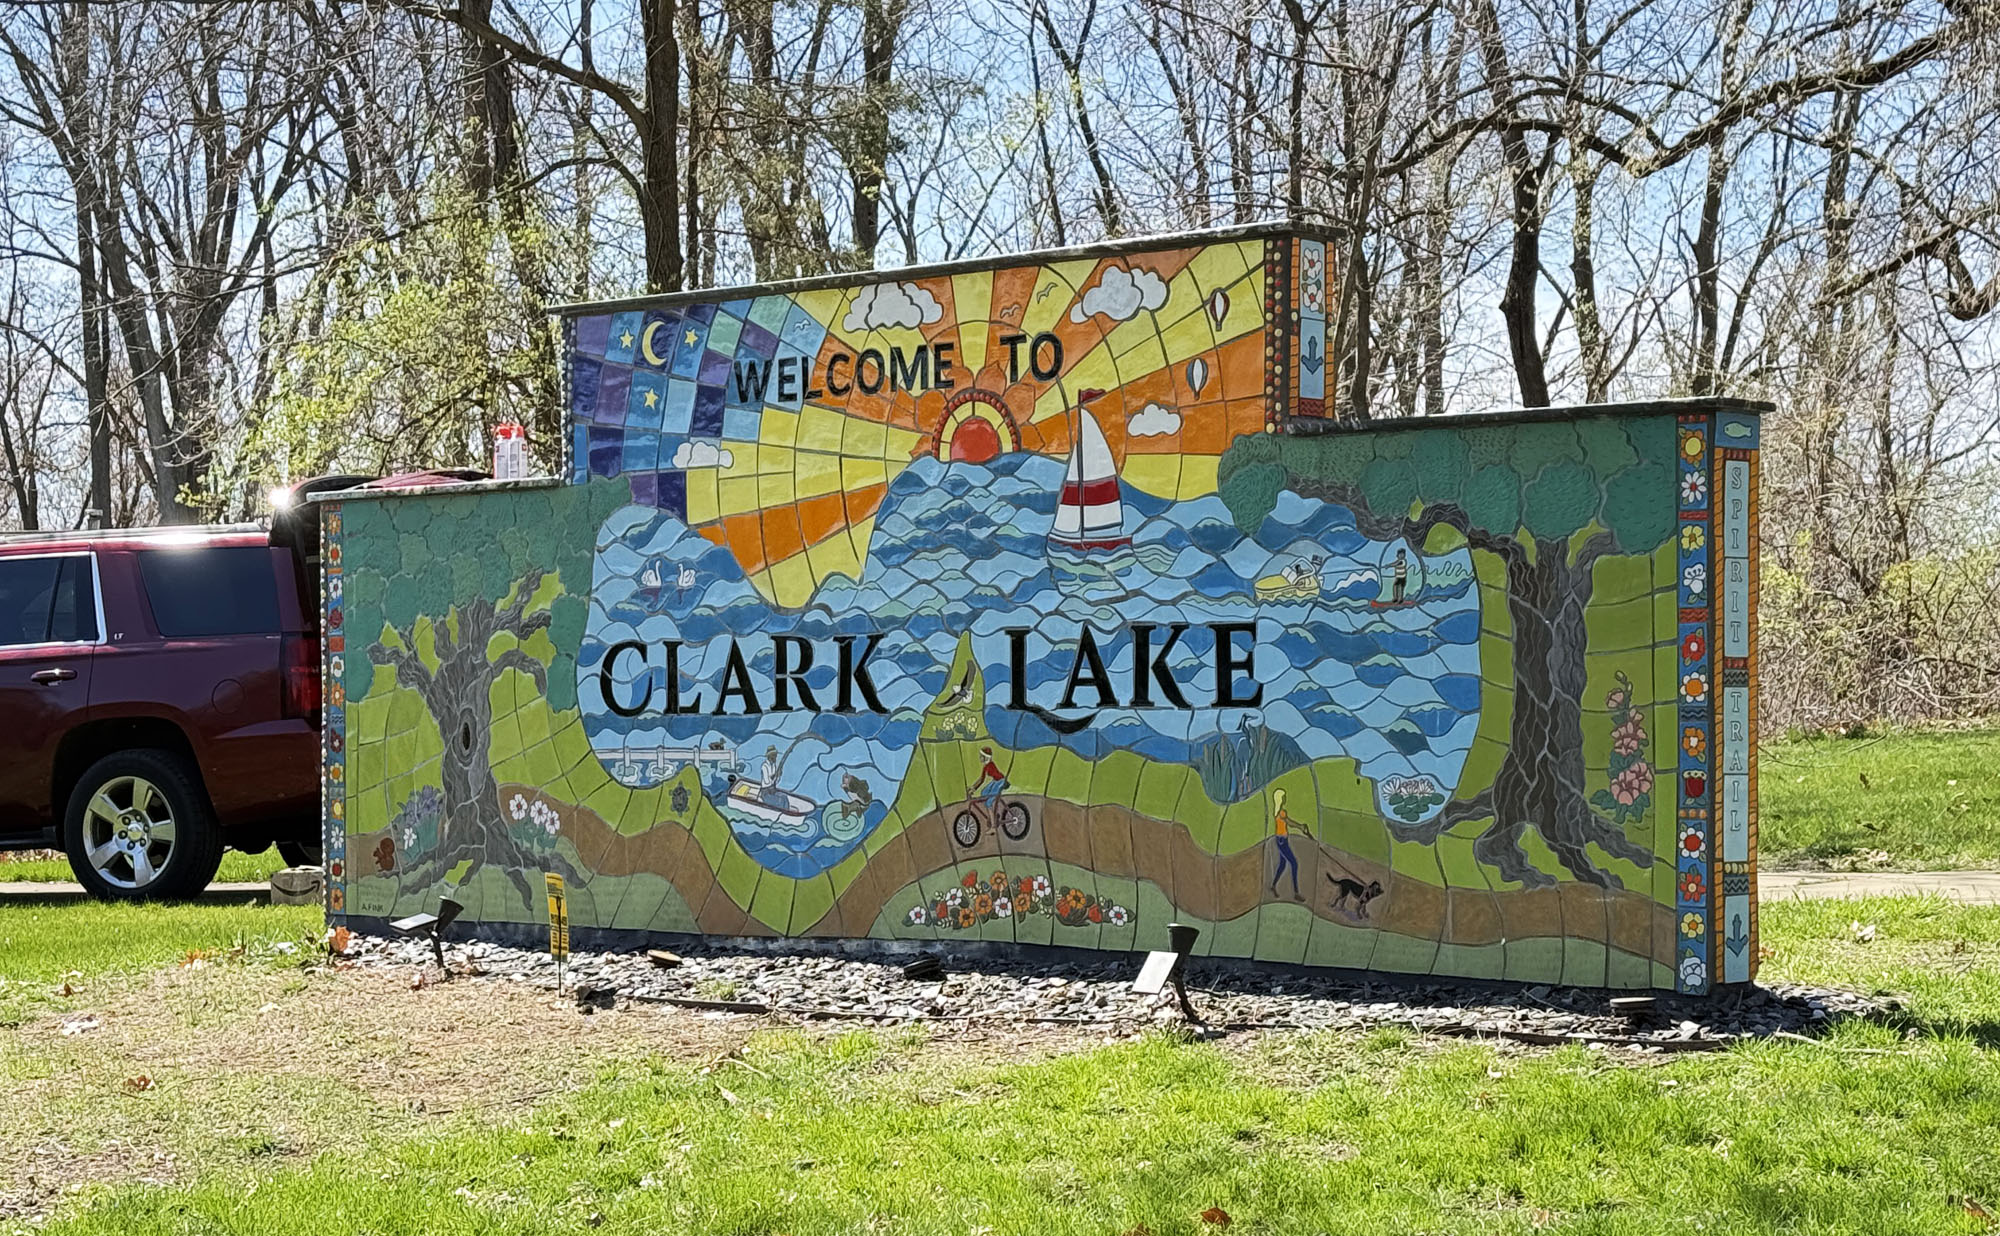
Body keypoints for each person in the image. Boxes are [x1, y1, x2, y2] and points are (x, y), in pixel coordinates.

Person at [1270, 787, 1301, 899]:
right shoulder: (1282, 813)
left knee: (1282, 865)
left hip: (1281, 840)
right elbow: (1289, 822)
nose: (1285, 798)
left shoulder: (1277, 812)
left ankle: (1273, 885)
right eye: (1284, 796)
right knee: (1294, 864)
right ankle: (1296, 892)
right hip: (1282, 841)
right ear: (1280, 798)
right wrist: (1300, 826)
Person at [969, 745, 1007, 824]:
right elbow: (981, 779)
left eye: (981, 756)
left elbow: (985, 779)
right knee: (984, 793)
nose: (980, 758)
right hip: (996, 781)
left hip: (1000, 782)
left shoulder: (990, 765)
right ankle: (993, 815)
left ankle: (993, 826)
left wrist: (973, 789)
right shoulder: (986, 766)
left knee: (988, 802)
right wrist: (973, 788)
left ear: (986, 757)